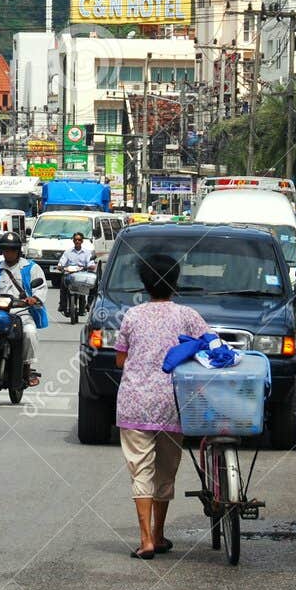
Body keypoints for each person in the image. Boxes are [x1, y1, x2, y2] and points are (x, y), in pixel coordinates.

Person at [114, 252, 208, 559]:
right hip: (173, 403)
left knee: (140, 470)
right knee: (166, 471)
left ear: (144, 283)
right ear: (175, 282)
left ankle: (146, 541)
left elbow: (120, 358)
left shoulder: (132, 316)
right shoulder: (187, 315)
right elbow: (210, 346)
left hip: (135, 402)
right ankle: (159, 533)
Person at [0, 231, 47, 387]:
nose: (9, 252)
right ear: (1, 251)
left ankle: (26, 370)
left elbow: (40, 288)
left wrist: (34, 298)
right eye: (6, 249)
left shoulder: (31, 268)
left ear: (18, 250)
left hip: (20, 312)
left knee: (29, 333)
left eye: (12, 249)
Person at [56, 232, 95, 314]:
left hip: (82, 276)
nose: (77, 241)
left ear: (82, 241)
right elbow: (61, 263)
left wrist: (89, 266)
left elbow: (91, 264)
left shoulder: (87, 252)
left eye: (79, 240)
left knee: (93, 285)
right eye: (75, 240)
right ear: (73, 241)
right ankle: (62, 305)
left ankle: (88, 304)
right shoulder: (68, 252)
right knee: (63, 282)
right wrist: (60, 267)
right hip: (70, 275)